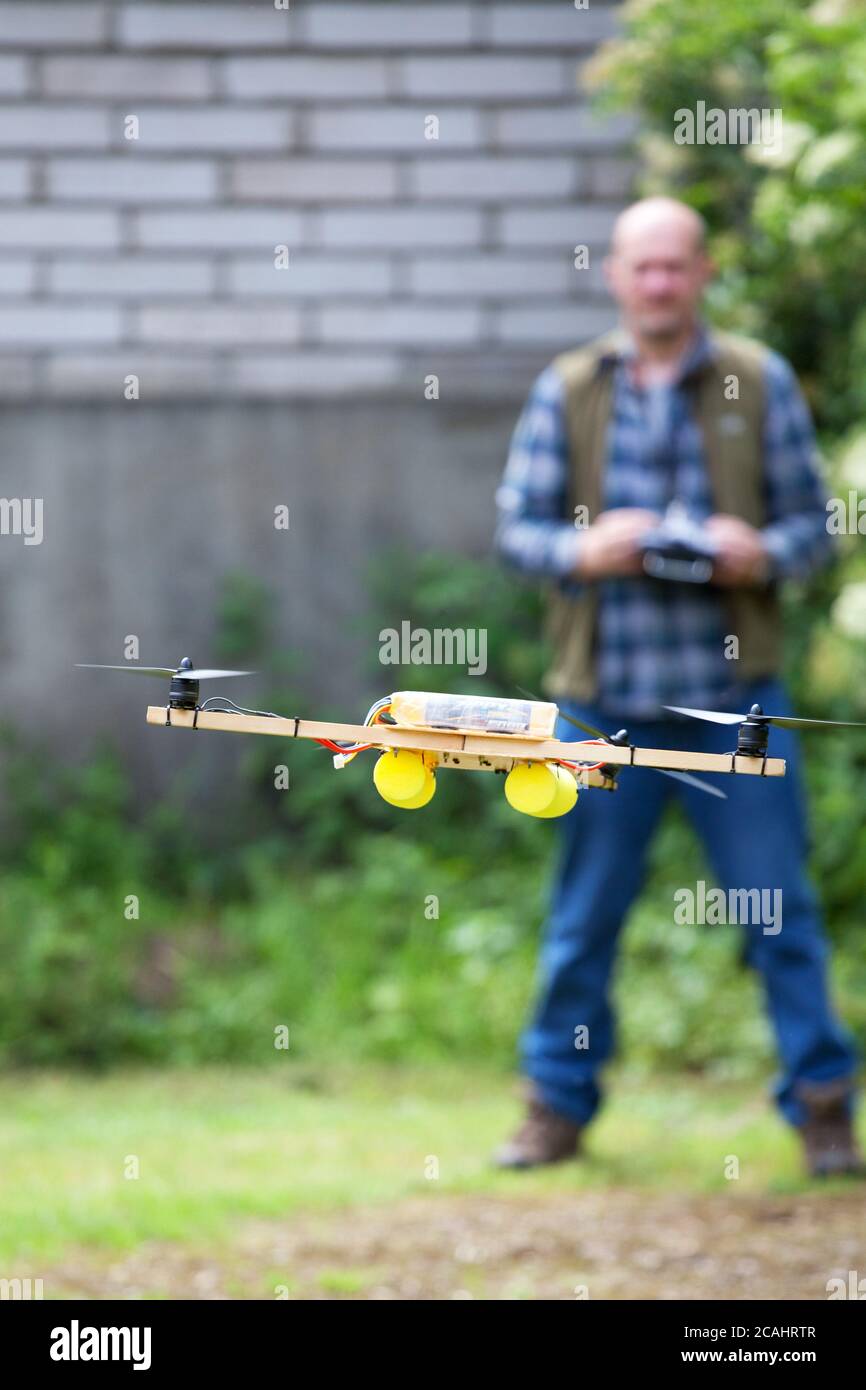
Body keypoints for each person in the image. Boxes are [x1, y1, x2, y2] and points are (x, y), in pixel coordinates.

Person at [493, 196, 862, 1178]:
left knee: (775, 910)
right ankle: (553, 1106)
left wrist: (759, 553)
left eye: (673, 265)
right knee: (582, 918)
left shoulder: (756, 380)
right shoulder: (567, 387)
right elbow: (515, 533)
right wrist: (585, 547)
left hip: (729, 706)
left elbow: (813, 530)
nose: (656, 282)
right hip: (599, 705)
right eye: (639, 266)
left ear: (701, 273)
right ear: (613, 275)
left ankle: (823, 1108)